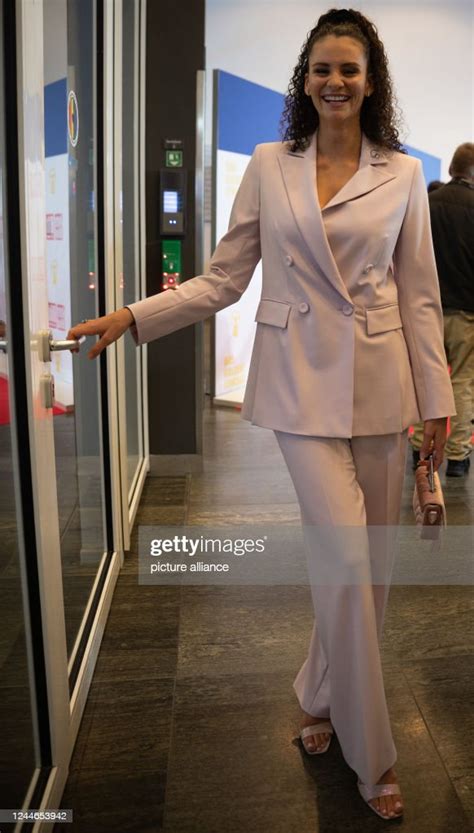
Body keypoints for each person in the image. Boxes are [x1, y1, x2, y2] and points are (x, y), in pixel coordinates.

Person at [68, 7, 455, 823]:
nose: (335, 81)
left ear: (371, 81)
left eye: (349, 69)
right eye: (321, 68)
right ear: (304, 80)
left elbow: (421, 298)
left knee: (368, 575)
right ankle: (373, 751)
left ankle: (318, 691)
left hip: (383, 385)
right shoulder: (270, 164)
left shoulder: (403, 173)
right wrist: (135, 314)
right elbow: (224, 278)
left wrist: (438, 404)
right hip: (299, 388)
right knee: (345, 559)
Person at [411, 143, 474, 476]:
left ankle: (418, 449)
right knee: (463, 383)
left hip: (426, 312)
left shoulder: (427, 203)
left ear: (452, 168)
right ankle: (458, 458)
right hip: (466, 313)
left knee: (425, 382)